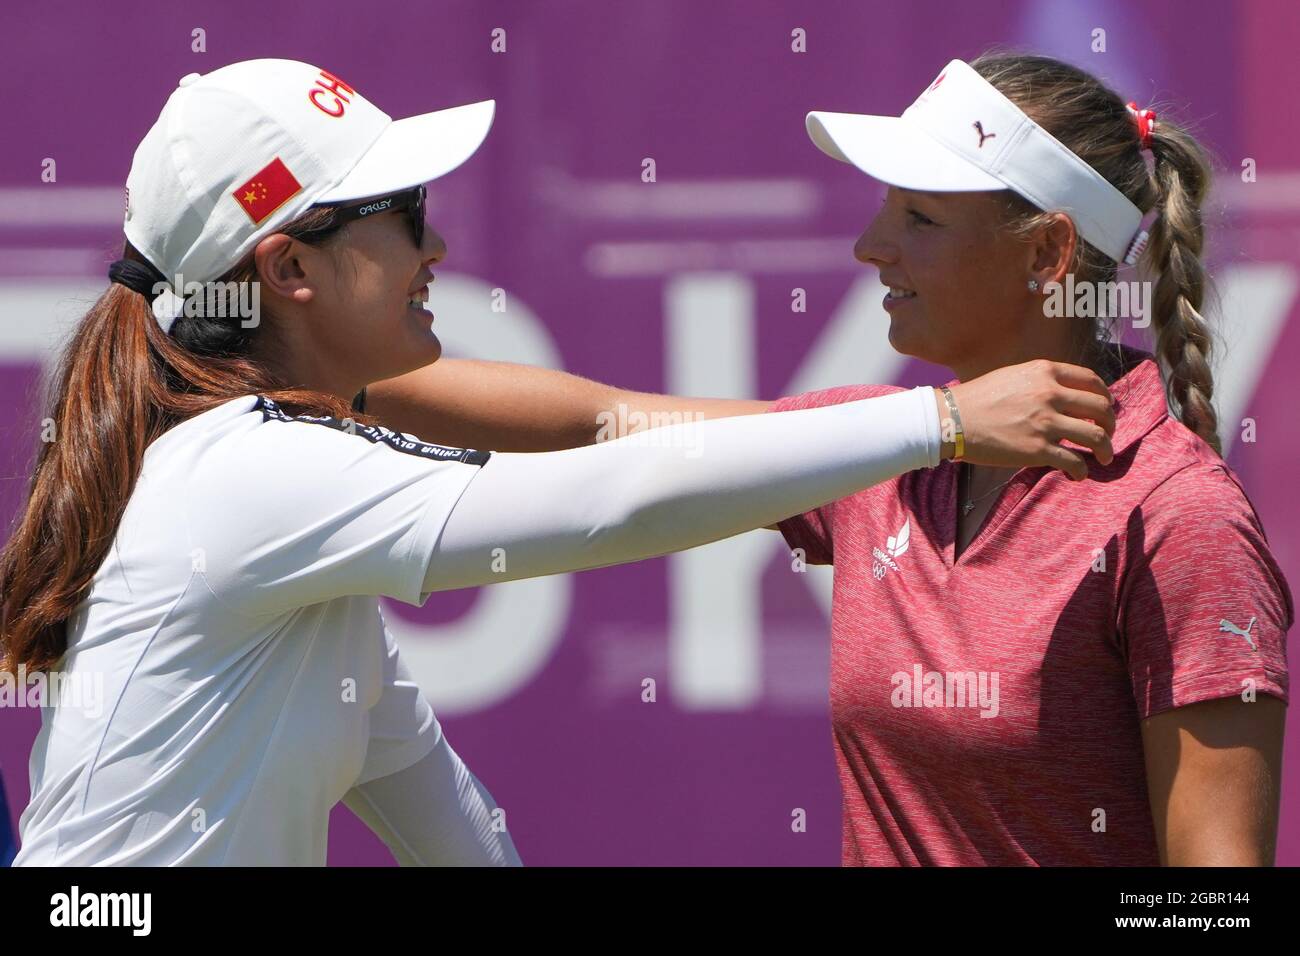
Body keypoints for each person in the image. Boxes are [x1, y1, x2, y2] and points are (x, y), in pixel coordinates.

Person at [0, 58, 1113, 867]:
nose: (435, 248)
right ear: (289, 268)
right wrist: (939, 422)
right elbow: (599, 498)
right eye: (405, 215)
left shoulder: (305, 565)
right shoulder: (242, 473)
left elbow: (465, 840)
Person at [368, 53, 1292, 865]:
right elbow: (605, 421)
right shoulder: (889, 440)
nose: (870, 246)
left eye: (920, 219)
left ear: (1048, 251)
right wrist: (311, 374)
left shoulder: (1180, 515)